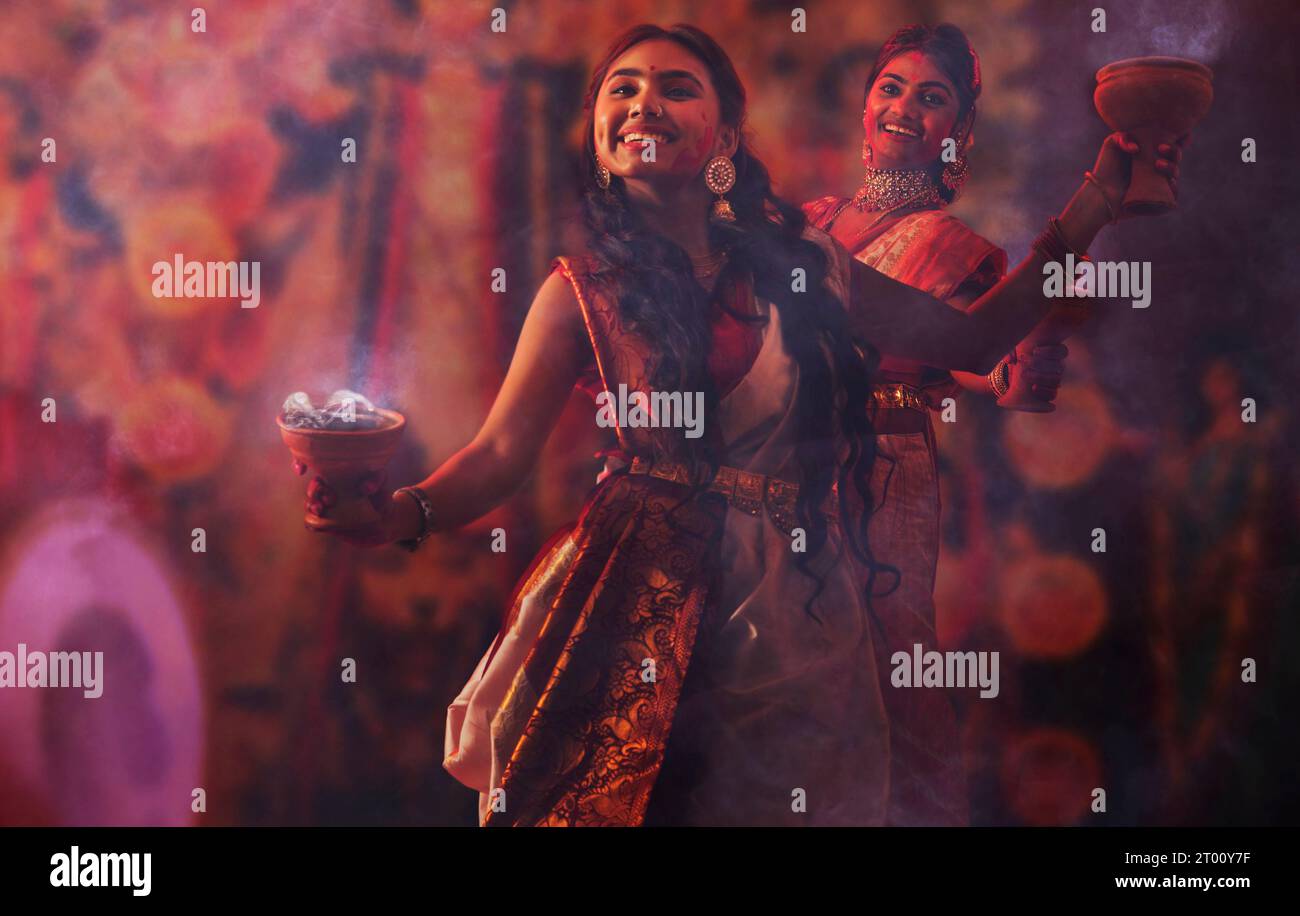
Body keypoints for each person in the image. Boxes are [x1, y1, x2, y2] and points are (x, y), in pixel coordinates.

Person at [294, 23, 1184, 826]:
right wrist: (399, 514)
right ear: (602, 141)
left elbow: (976, 335)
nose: (645, 102)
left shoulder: (810, 266)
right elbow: (495, 454)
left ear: (724, 139)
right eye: (624, 88)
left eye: (676, 86)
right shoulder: (578, 293)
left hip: (796, 601)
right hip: (631, 592)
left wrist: (1095, 206)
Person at [801, 23, 1183, 826]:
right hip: (774, 468)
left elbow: (981, 368)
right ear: (867, 105)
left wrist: (1028, 356)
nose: (905, 106)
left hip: (879, 476)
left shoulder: (953, 248)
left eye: (932, 97)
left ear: (958, 135)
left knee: (878, 677)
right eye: (892, 87)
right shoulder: (808, 223)